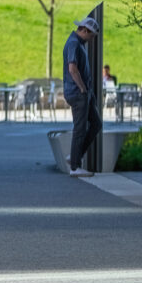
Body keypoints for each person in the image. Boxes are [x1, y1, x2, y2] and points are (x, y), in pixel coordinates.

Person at [62, 16, 101, 177]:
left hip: (83, 93)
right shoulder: (73, 43)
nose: (91, 40)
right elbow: (72, 69)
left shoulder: (78, 43)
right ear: (85, 31)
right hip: (78, 93)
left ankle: (75, 156)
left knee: (96, 123)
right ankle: (75, 167)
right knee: (80, 129)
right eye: (91, 36)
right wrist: (83, 89)